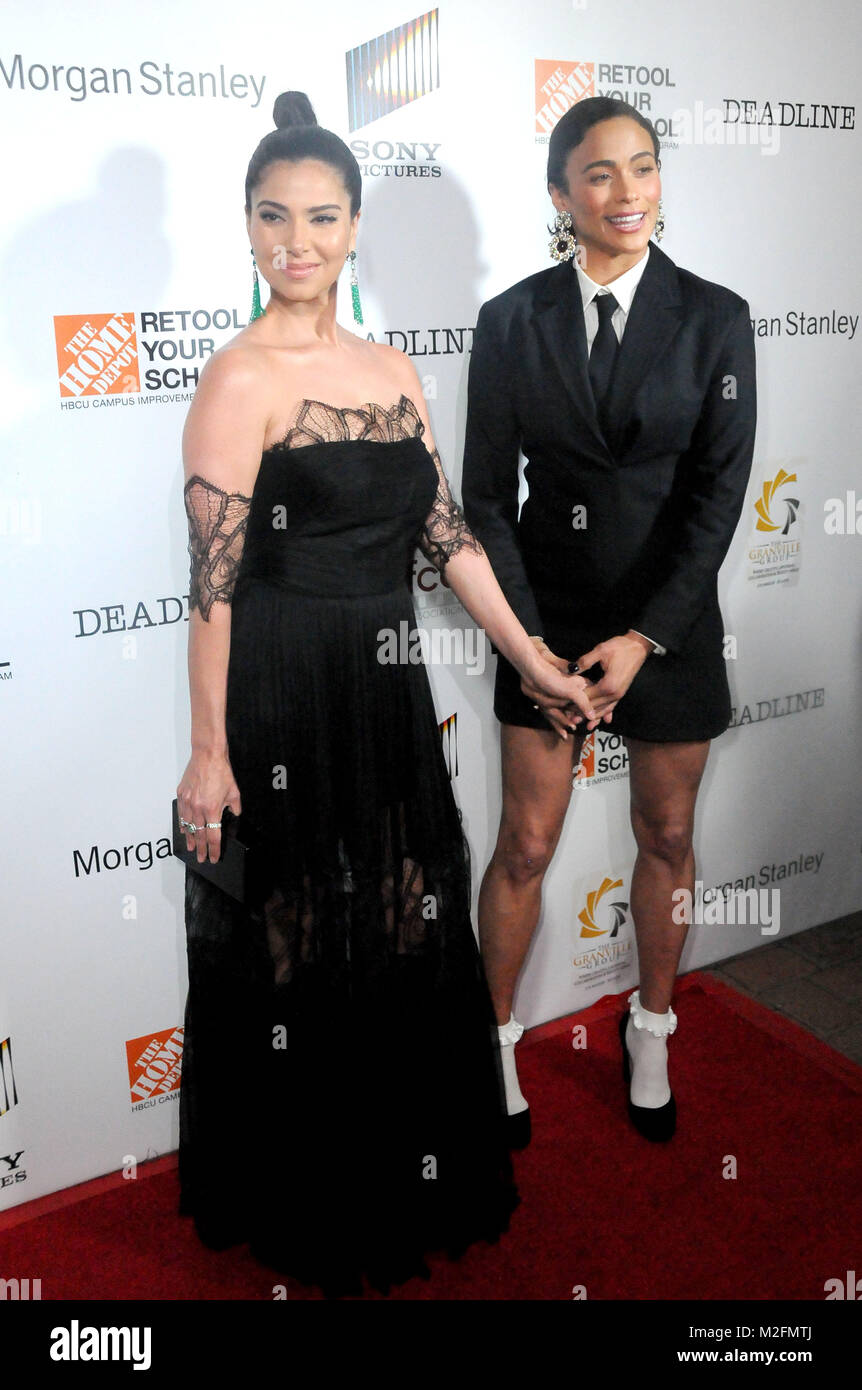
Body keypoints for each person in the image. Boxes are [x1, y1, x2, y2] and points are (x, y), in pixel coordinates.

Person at [175, 91, 596, 1297]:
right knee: (296, 936)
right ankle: (308, 1188)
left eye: (320, 216)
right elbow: (211, 589)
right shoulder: (236, 381)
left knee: (402, 920)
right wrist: (210, 752)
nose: (295, 241)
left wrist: (527, 658)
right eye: (272, 216)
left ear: (354, 225)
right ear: (247, 228)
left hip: (384, 686)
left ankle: (400, 1166)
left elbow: (448, 537)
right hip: (282, 686)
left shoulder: (391, 367)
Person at [462, 97, 757, 1145]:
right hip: (544, 617)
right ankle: (492, 1049)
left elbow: (720, 497)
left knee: (667, 833)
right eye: (599, 173)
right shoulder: (511, 322)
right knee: (526, 844)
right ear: (560, 195)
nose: (627, 191)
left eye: (643, 167)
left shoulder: (715, 316)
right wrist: (530, 645)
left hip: (666, 622)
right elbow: (486, 500)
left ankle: (652, 1027)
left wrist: (647, 635)